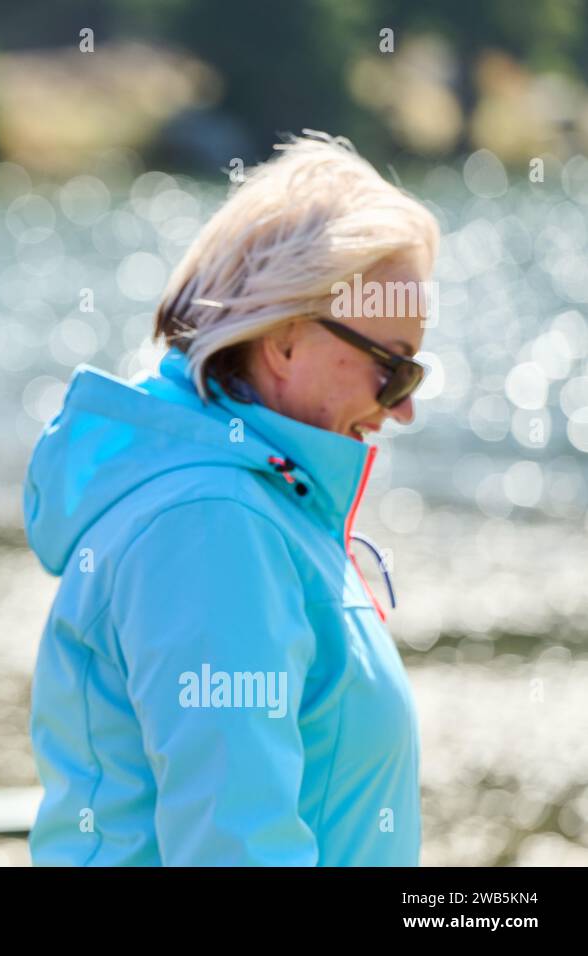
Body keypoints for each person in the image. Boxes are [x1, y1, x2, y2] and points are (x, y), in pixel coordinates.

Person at [24, 133, 439, 865]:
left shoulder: (252, 502)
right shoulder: (212, 526)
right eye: (394, 369)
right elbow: (235, 847)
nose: (403, 408)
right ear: (284, 342)